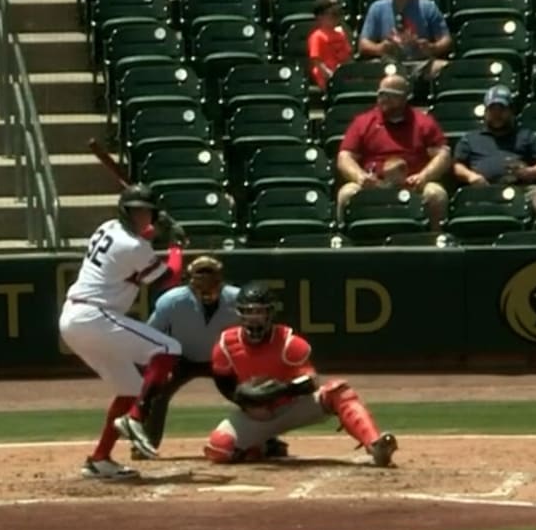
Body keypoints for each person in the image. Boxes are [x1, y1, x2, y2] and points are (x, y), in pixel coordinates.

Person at [58, 186, 186, 479]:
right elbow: (167, 278)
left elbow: (137, 245)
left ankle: (100, 459)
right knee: (169, 349)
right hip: (94, 316)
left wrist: (158, 231)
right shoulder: (134, 247)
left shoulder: (108, 228)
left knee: (129, 388)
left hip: (76, 318)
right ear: (125, 211)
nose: (141, 216)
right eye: (136, 211)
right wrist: (176, 245)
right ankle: (137, 417)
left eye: (146, 211)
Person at [204, 283, 396, 467]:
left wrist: (279, 391)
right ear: (240, 313)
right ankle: (265, 446)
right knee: (219, 449)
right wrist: (245, 401)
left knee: (338, 391)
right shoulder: (226, 343)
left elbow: (310, 382)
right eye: (249, 311)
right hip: (257, 415)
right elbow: (223, 380)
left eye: (259, 311)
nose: (254, 317)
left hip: (292, 405)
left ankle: (375, 445)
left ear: (269, 314)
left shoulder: (288, 342)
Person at [134, 256, 291, 460]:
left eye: (211, 280)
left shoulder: (237, 299)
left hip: (223, 357)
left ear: (220, 280)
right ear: (189, 281)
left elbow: (256, 332)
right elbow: (151, 334)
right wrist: (152, 367)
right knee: (157, 392)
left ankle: (268, 439)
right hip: (181, 357)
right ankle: (146, 441)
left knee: (252, 392)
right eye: (200, 280)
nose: (206, 288)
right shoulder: (171, 301)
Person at [334, 73, 451, 227]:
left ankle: (434, 241)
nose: (384, 99)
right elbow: (345, 156)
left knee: (436, 194)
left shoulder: (423, 122)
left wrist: (424, 176)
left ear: (405, 98)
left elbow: (443, 154)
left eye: (391, 95)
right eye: (381, 94)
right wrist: (359, 177)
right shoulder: (363, 122)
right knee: (347, 193)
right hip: (373, 184)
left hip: (413, 184)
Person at [452, 85, 536, 214]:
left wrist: (529, 172)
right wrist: (471, 176)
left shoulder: (525, 135)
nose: (497, 115)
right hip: (482, 191)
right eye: (492, 110)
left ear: (511, 111)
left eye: (501, 110)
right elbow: (457, 166)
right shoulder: (470, 138)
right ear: (485, 112)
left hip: (521, 189)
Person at [358, 0, 451, 88]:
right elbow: (363, 44)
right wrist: (380, 48)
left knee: (445, 68)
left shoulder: (428, 7)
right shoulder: (377, 8)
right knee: (363, 71)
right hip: (388, 64)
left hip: (421, 63)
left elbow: (446, 40)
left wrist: (431, 47)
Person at [308, 0, 353, 89]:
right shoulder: (317, 36)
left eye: (338, 14)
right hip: (326, 77)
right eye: (333, 14)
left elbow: (347, 57)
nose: (336, 17)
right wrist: (330, 75)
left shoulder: (341, 34)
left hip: (343, 74)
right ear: (320, 16)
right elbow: (317, 61)